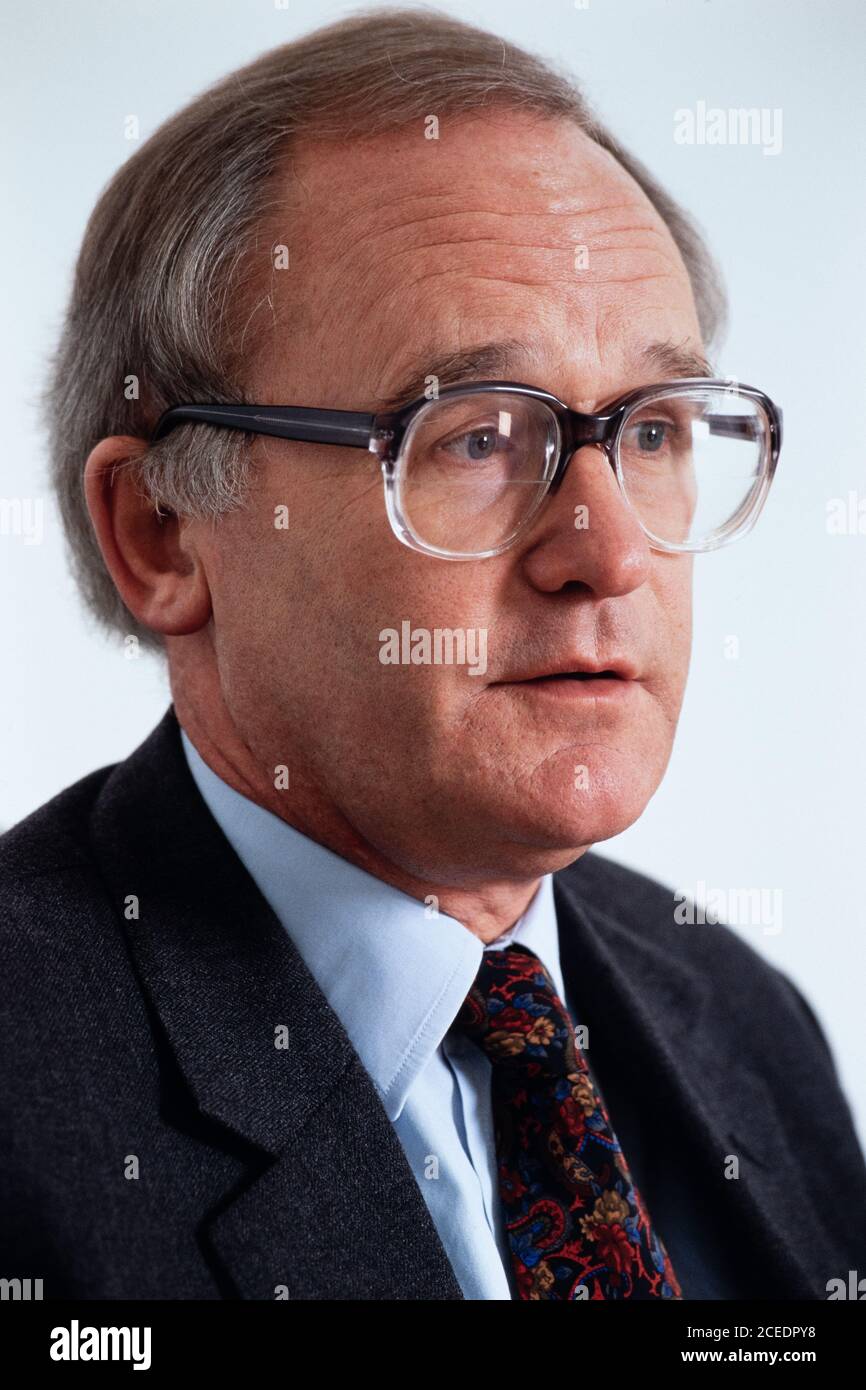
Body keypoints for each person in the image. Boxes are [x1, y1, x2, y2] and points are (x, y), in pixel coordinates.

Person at [2, 9, 864, 1301]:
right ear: (162, 534)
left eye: (649, 431)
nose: (607, 551)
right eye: (472, 434)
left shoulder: (741, 1013)